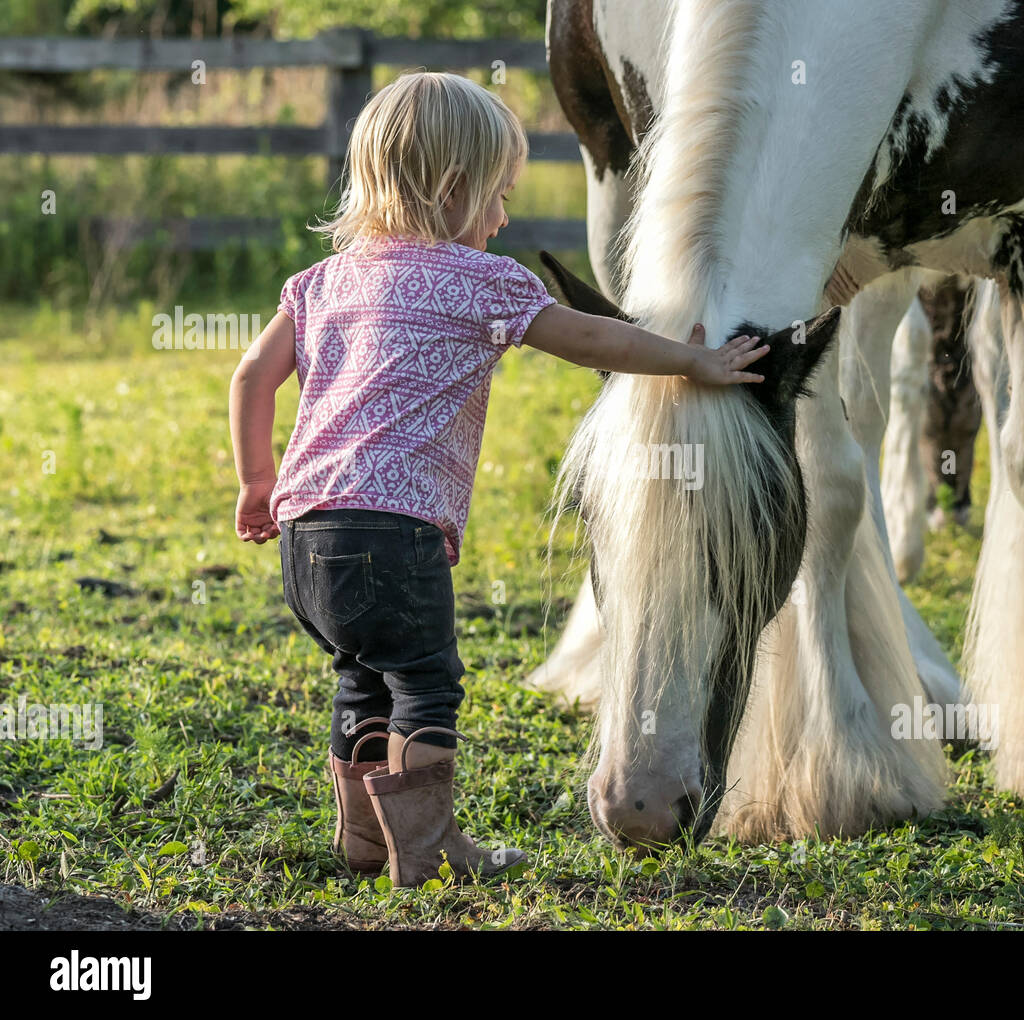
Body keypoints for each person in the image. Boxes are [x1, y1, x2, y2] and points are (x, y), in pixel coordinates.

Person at [227, 71, 768, 886]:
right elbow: (595, 342)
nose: (504, 216)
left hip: (308, 536)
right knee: (425, 684)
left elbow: (250, 378)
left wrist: (257, 483)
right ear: (453, 190)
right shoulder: (482, 282)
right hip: (396, 530)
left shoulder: (320, 281)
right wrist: (692, 359)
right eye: (498, 196)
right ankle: (428, 847)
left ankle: (365, 839)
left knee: (360, 679)